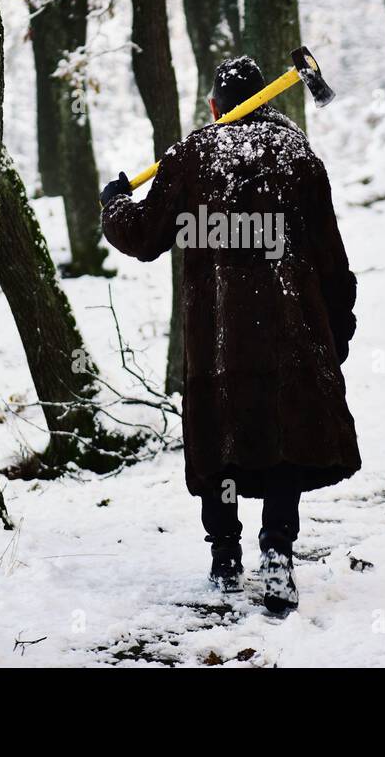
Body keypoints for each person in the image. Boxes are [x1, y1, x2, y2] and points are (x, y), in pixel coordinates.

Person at [99, 55, 360, 614]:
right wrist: (338, 326)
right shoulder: (298, 157)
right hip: (291, 337)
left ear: (216, 106)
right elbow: (331, 256)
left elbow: (144, 236)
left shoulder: (191, 156)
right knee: (284, 443)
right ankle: (278, 555)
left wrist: (114, 204)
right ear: (265, 101)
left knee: (221, 447)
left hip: (218, 344)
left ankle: (224, 559)